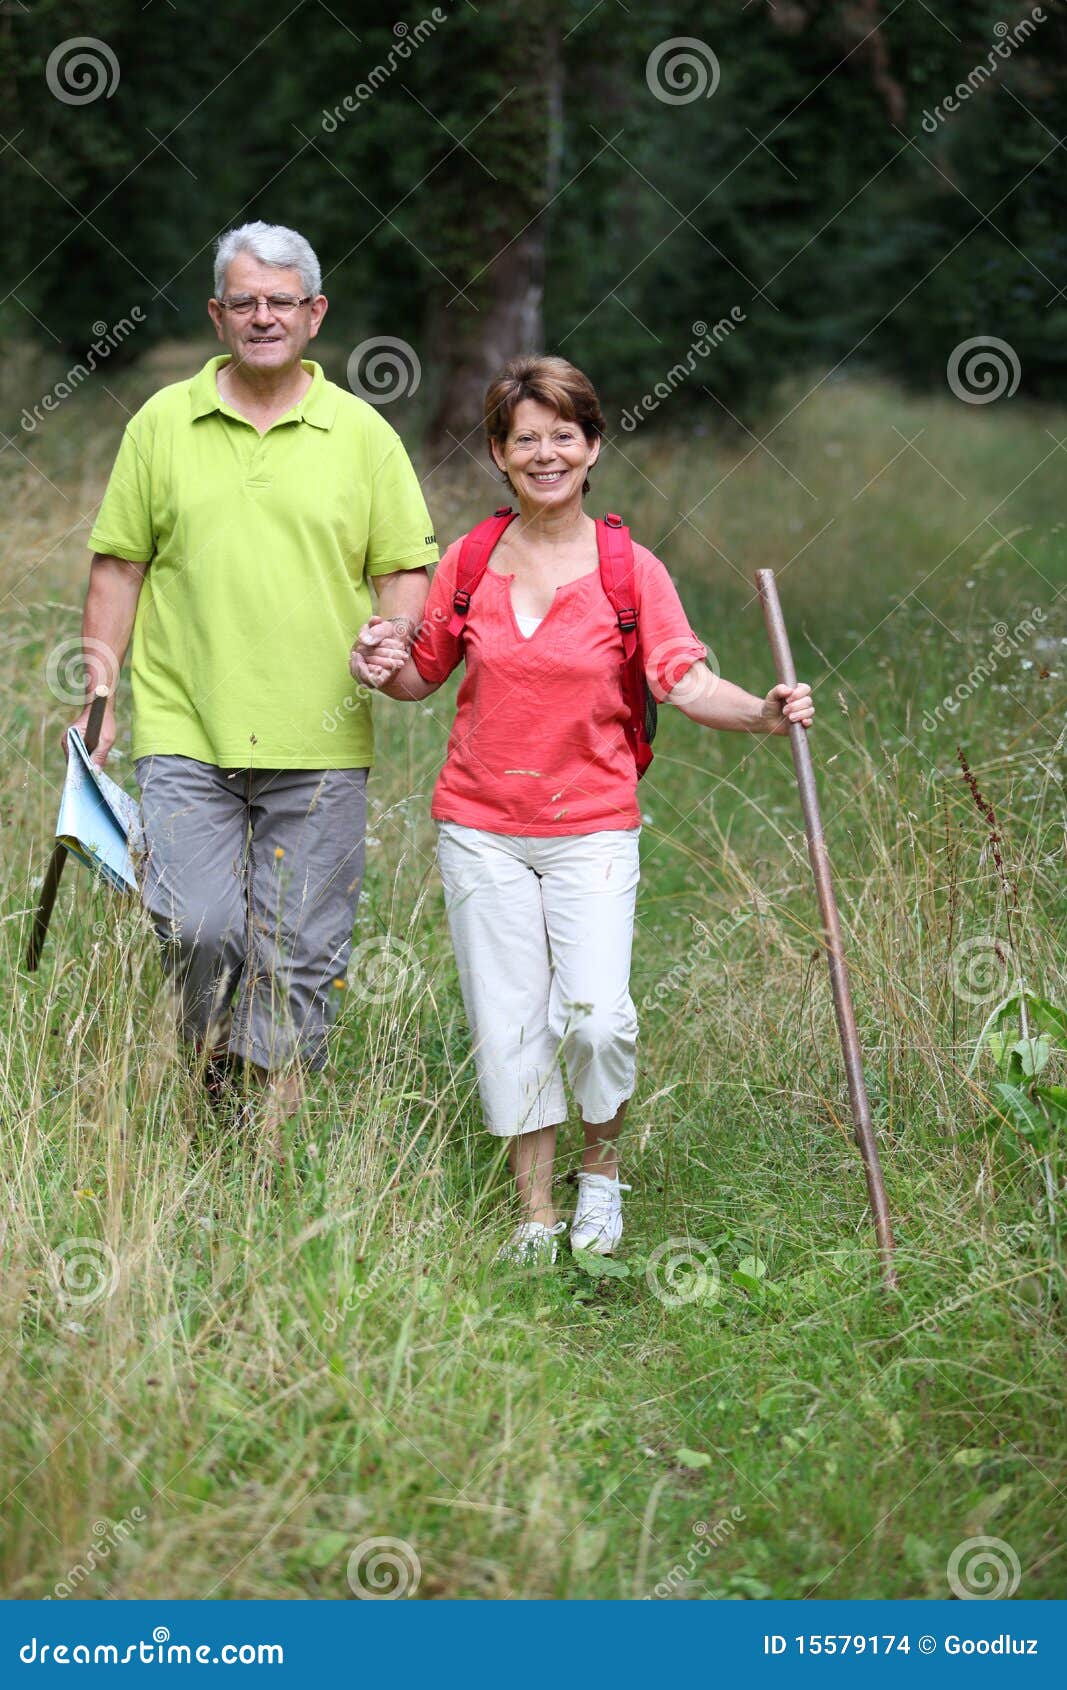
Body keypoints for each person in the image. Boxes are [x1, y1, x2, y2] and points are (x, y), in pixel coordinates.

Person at [352, 355, 813, 1261]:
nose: (545, 453)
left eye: (563, 434)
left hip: (591, 828)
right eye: (525, 438)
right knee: (510, 1020)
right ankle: (535, 1213)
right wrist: (375, 664)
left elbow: (683, 680)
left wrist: (761, 714)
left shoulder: (627, 568)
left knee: (596, 1016)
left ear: (593, 444)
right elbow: (420, 677)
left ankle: (600, 1170)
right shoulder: (470, 560)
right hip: (479, 829)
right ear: (498, 453)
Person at [66, 220, 436, 1149]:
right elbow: (118, 567)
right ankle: (215, 1065)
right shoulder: (161, 423)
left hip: (321, 735)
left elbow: (404, 568)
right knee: (197, 928)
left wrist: (390, 637)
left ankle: (260, 1149)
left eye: (281, 301)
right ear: (217, 315)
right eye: (244, 302)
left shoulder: (362, 434)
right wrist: (99, 701)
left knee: (300, 952)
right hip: (187, 725)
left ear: (314, 314)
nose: (262, 317)